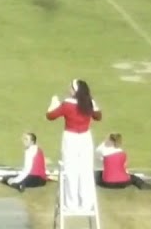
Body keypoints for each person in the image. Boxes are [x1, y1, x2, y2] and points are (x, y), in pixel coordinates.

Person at [47, 79, 102, 214]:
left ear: (75, 90)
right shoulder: (88, 103)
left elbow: (50, 116)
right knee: (86, 171)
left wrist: (53, 103)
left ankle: (71, 204)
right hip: (85, 139)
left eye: (71, 88)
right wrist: (94, 105)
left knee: (70, 170)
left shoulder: (67, 104)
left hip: (70, 138)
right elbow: (98, 116)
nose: (68, 90)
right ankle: (87, 204)